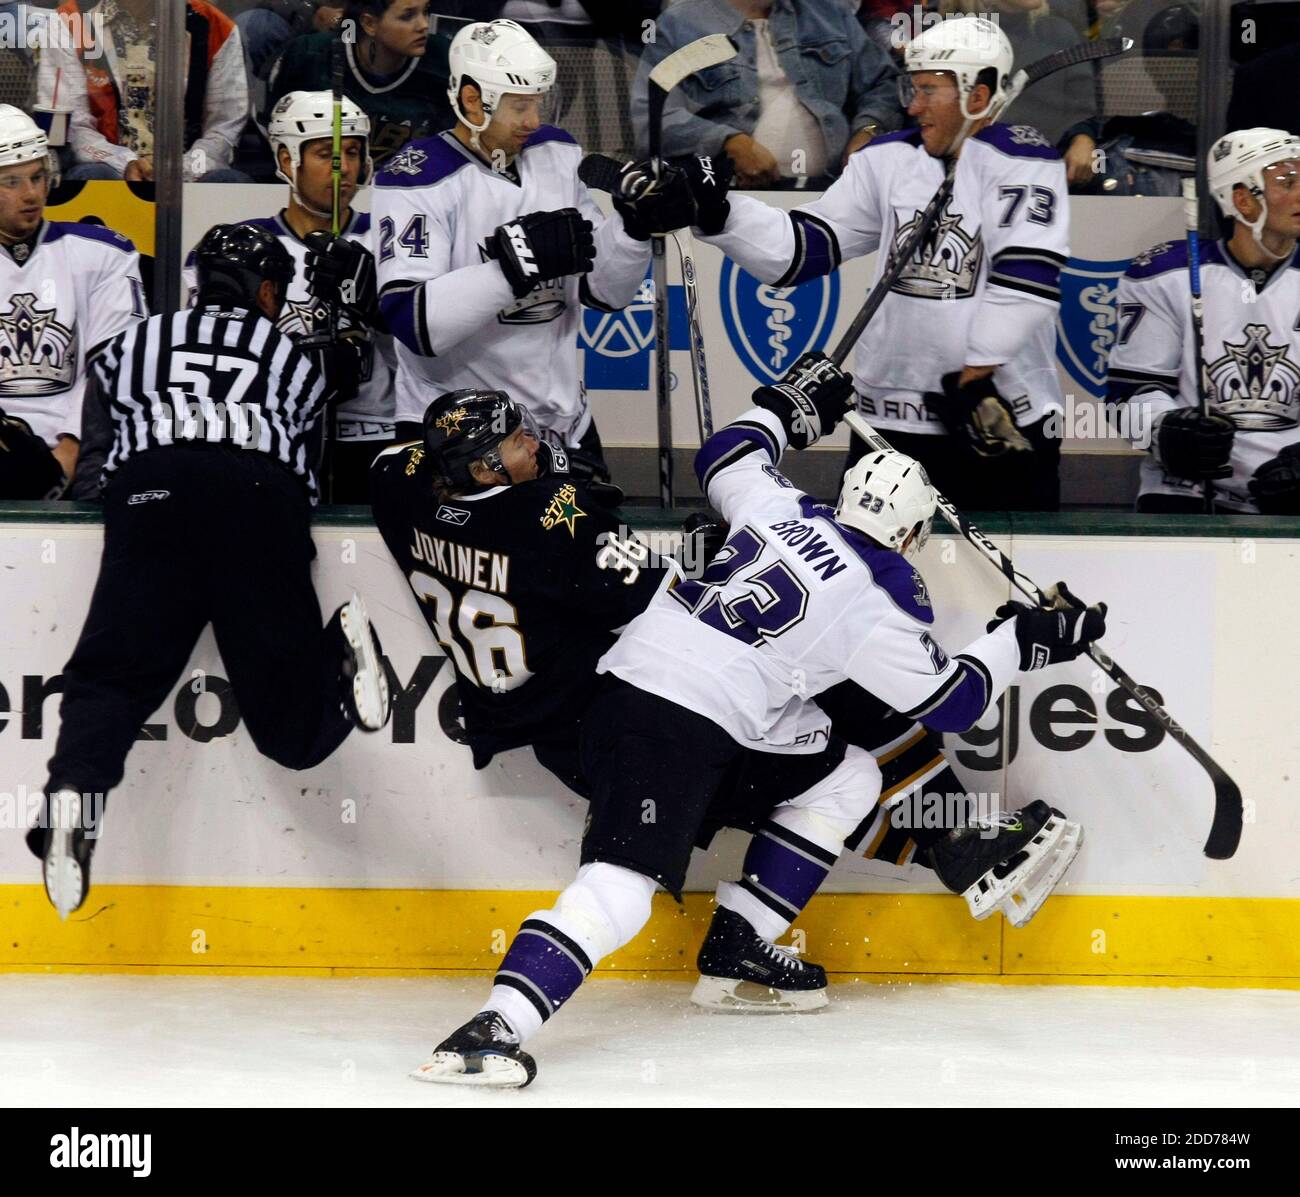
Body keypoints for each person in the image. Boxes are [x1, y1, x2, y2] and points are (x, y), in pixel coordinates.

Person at [410, 357, 1102, 1087]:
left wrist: (790, 407)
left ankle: (741, 942)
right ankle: (493, 1027)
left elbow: (726, 454)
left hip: (642, 701)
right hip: (673, 727)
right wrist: (1026, 640)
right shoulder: (871, 605)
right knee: (619, 887)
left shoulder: (779, 508)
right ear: (908, 535)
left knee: (848, 773)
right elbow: (954, 701)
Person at [24, 222, 391, 919]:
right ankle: (341, 648)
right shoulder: (293, 351)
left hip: (152, 493)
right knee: (290, 730)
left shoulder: (128, 346)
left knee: (112, 676)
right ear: (265, 291)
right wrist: (348, 313)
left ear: (197, 285)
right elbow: (349, 390)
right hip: (257, 494)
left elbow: (96, 465)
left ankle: (75, 791)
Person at [681, 16, 1070, 512]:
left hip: (1000, 426)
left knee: (1007, 584)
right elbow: (800, 250)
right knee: (876, 582)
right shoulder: (888, 161)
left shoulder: (1025, 161)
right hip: (887, 429)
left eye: (930, 90)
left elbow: (1027, 280)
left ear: (978, 95)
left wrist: (974, 378)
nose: (912, 106)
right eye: (914, 88)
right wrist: (720, 212)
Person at [372, 18, 695, 474]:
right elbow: (414, 324)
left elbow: (605, 292)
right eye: (519, 105)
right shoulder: (414, 177)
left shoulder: (556, 151)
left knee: (592, 544)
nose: (534, 120)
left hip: (562, 429)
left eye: (537, 103)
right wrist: (514, 268)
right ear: (471, 99)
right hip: (461, 436)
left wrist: (633, 227)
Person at [184, 90, 395, 502]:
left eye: (352, 152)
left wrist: (377, 311)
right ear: (286, 160)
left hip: (375, 435)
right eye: (326, 156)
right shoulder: (237, 249)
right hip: (272, 435)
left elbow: (428, 349)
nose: (344, 169)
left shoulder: (390, 238)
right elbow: (208, 359)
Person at [1107, 128, 1300, 514]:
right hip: (1187, 493)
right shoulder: (1165, 274)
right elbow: (1127, 396)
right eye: (1287, 180)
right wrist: (1166, 432)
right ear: (1242, 200)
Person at [0, 104, 145, 499]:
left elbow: (116, 365)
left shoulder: (104, 252)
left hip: (81, 451)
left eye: (37, 177)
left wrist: (71, 450)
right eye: (12, 182)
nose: (31, 194)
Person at [632, 0, 903, 189]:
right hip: (727, 198)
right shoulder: (680, 23)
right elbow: (652, 118)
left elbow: (884, 84)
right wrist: (728, 143)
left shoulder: (830, 13)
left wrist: (869, 129)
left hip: (834, 191)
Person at [36, 0, 249, 182]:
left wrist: (184, 168)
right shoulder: (69, 22)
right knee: (92, 175)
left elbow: (224, 127)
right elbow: (72, 127)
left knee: (230, 182)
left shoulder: (215, 26)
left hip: (191, 176)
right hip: (109, 169)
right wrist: (125, 163)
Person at [266, 0, 455, 167]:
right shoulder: (308, 56)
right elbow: (275, 134)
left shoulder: (446, 63)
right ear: (369, 23)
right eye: (407, 16)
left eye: (425, 11)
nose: (424, 25)